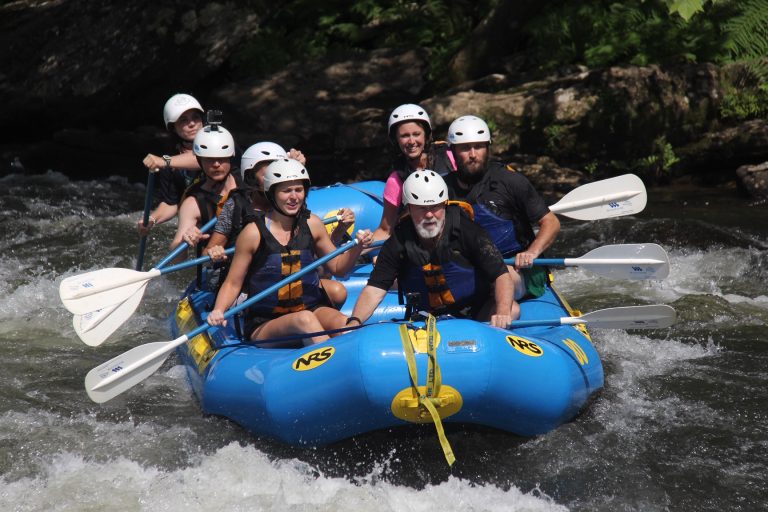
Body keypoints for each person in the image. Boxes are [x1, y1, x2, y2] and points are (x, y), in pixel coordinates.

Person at [207, 158, 374, 346]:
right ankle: (335, 362)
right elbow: (232, 283)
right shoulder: (253, 232)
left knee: (348, 326)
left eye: (299, 190)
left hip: (312, 308)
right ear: (272, 194)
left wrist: (357, 247)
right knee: (303, 320)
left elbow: (338, 268)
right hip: (266, 322)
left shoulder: (313, 224)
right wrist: (219, 309)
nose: (294, 197)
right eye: (286, 191)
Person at [348, 171, 519, 328]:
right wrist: (354, 321)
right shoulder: (398, 240)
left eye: (435, 207)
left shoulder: (468, 231)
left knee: (513, 310)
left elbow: (501, 275)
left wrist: (503, 311)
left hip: (476, 311)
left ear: (444, 205)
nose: (429, 215)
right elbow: (375, 288)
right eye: (422, 208)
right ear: (409, 208)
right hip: (428, 319)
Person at [200, 141, 351, 307]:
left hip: (290, 276)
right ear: (250, 177)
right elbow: (207, 254)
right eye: (268, 175)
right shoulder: (236, 205)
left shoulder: (291, 204)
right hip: (251, 284)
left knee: (337, 291)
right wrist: (213, 253)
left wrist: (339, 233)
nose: (275, 178)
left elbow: (310, 248)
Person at [443, 115, 561, 300]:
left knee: (497, 276)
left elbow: (551, 222)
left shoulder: (510, 181)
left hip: (517, 268)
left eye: (479, 147)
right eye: (465, 148)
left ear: (488, 148)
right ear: (453, 151)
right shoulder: (442, 188)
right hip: (471, 267)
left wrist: (532, 252)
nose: (473, 154)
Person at [372, 103, 455, 242]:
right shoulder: (396, 179)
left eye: (416, 134)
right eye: (404, 136)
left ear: (426, 135)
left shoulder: (449, 158)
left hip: (457, 234)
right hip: (422, 243)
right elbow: (386, 230)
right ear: (396, 140)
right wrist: (358, 251)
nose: (411, 141)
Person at [137, 93, 204, 234]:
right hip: (197, 216)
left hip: (228, 208)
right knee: (181, 237)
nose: (192, 124)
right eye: (183, 120)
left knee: (189, 208)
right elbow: (170, 204)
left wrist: (164, 161)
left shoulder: (222, 141)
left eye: (196, 118)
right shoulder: (172, 162)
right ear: (173, 127)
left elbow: (202, 159)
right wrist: (151, 219)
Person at [172, 123, 241, 251]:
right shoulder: (193, 203)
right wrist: (184, 240)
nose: (216, 164)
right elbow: (177, 258)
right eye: (209, 159)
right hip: (215, 265)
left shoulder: (248, 183)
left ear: (230, 157)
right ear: (199, 161)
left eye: (221, 159)